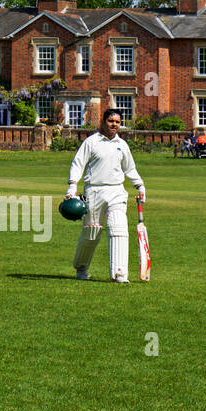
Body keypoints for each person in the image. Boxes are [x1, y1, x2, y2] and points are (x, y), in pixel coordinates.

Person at [65, 108, 147, 283]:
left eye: (117, 122)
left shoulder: (122, 145)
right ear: (103, 121)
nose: (114, 125)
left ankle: (120, 274)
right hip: (93, 191)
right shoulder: (91, 142)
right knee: (91, 232)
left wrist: (139, 186)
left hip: (116, 191)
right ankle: (81, 268)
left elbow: (130, 168)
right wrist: (72, 187)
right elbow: (78, 164)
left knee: (118, 226)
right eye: (111, 121)